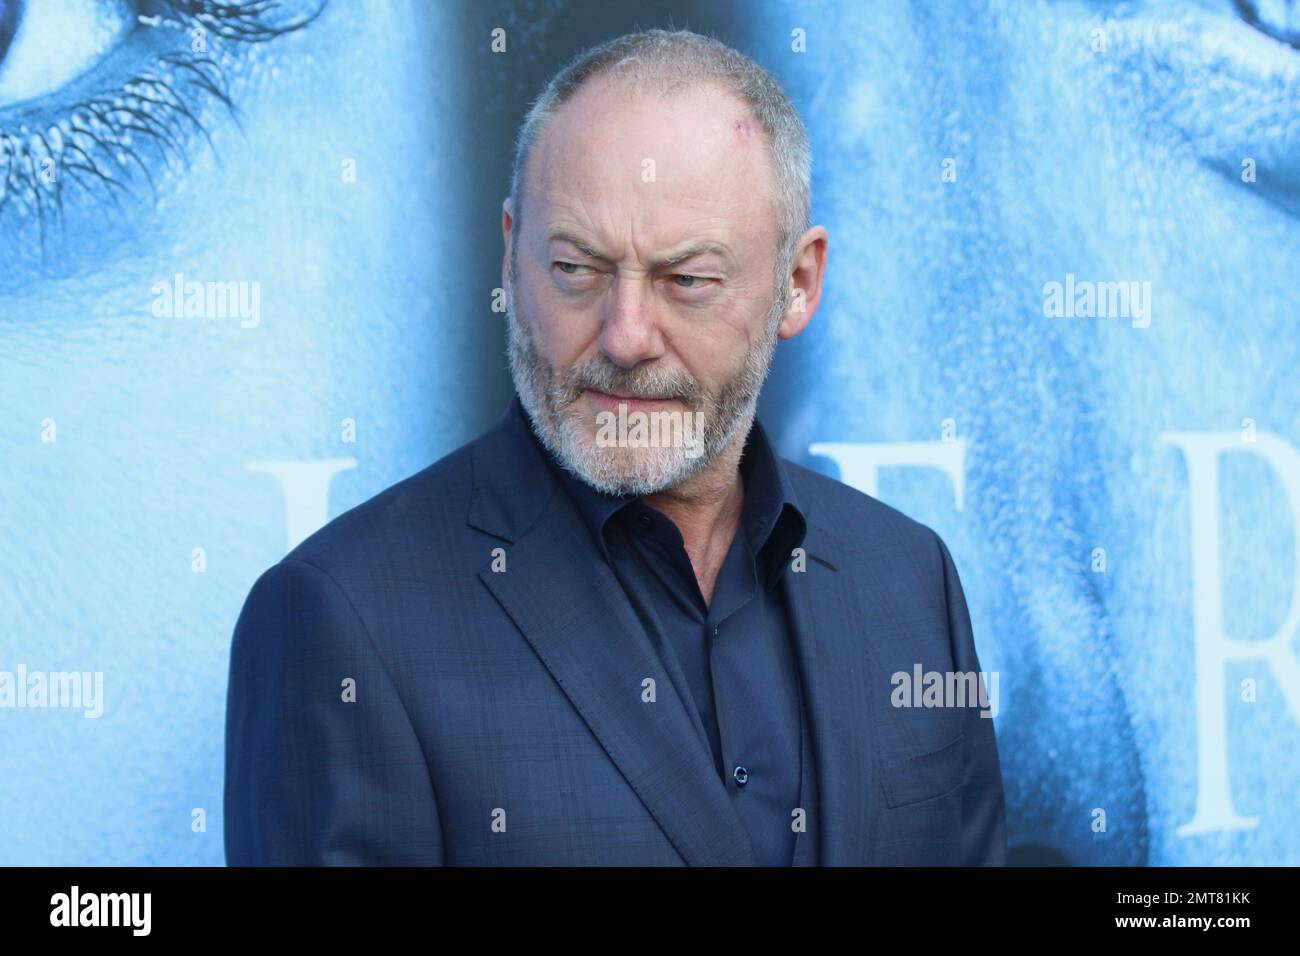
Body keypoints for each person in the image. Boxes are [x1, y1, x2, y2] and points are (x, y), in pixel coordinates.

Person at [223, 28, 1007, 866]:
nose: (627, 336)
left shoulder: (907, 576)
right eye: (576, 269)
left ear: (798, 284)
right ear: (511, 255)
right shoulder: (343, 617)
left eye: (688, 280)